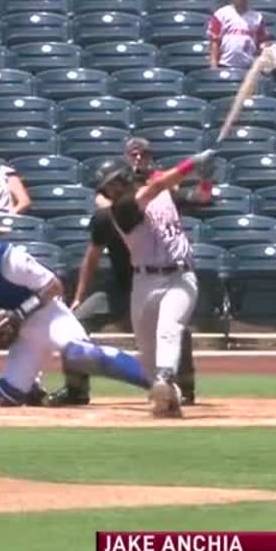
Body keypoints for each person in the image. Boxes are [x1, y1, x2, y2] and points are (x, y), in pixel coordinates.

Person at [0, 211, 151, 407]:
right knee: (7, 396)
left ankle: (153, 381)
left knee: (80, 354)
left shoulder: (12, 259)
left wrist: (20, 312)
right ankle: (34, 388)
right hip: (24, 335)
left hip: (49, 317)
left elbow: (54, 286)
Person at [70, 144, 208, 406]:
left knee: (170, 328)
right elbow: (155, 187)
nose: (115, 187)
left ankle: (168, 379)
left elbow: (201, 198)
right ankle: (167, 390)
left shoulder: (162, 193)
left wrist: (207, 178)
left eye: (117, 181)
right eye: (109, 186)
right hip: (143, 281)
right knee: (147, 352)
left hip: (180, 276)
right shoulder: (122, 209)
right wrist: (192, 164)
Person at [206, 0, 270, 71]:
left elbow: (261, 44)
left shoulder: (257, 17)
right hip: (224, 65)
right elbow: (215, 42)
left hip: (248, 67)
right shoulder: (221, 14)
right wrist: (213, 65)